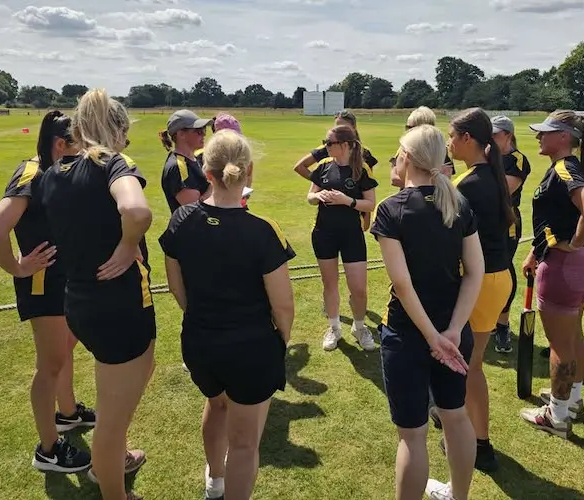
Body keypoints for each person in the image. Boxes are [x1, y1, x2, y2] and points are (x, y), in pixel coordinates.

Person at [159, 129, 295, 500]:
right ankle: (219, 482)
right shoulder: (263, 231)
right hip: (250, 348)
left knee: (216, 405)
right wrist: (280, 341)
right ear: (248, 172)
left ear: (207, 172)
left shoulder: (181, 221)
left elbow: (176, 287)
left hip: (200, 341)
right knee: (245, 444)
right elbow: (283, 306)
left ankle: (215, 481)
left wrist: (203, 316)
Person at [40, 89, 153, 500]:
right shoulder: (113, 165)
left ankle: (114, 459)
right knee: (112, 418)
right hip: (116, 303)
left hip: (80, 300)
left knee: (121, 389)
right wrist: (127, 247)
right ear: (116, 128)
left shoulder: (54, 172)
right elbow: (137, 211)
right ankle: (112, 489)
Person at [371, 124, 484, 500]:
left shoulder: (391, 210)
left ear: (406, 158)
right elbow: (475, 273)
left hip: (407, 334)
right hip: (451, 332)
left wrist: (436, 336)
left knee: (413, 434)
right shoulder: (457, 203)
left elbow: (403, 287)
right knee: (455, 415)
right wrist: (452, 331)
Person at [0, 111, 94, 474]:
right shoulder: (33, 174)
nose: (86, 153)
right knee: (50, 365)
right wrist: (17, 266)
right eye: (81, 144)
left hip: (62, 279)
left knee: (64, 351)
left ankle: (68, 413)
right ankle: (48, 450)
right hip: (43, 282)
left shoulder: (56, 170)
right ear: (60, 145)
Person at [518, 110, 584, 439]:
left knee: (559, 343)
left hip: (566, 265)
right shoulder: (569, 166)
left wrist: (575, 244)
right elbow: (556, 221)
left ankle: (556, 415)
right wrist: (534, 252)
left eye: (545, 132)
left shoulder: (564, 168)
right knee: (572, 336)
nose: (539, 137)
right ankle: (572, 400)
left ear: (564, 137)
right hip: (577, 263)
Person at [439, 108, 515, 471]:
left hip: (483, 282)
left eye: (452, 137)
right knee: (471, 365)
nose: (449, 143)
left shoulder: (470, 183)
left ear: (467, 139)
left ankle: (478, 443)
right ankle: (470, 433)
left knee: (468, 367)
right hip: (496, 278)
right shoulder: (488, 174)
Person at [307, 125, 378, 351]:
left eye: (329, 142)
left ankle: (359, 327)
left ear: (345, 145)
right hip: (324, 233)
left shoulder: (361, 169)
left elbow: (370, 204)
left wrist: (346, 200)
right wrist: (317, 195)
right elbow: (309, 196)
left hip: (351, 235)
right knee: (330, 283)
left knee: (358, 288)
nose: (325, 146)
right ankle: (334, 327)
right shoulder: (324, 167)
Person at [293, 109, 378, 230]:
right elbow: (299, 167)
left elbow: (366, 190)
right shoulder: (327, 147)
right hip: (328, 218)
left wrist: (366, 220)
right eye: (337, 126)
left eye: (343, 126)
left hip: (353, 217)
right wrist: (321, 183)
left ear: (354, 128)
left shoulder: (364, 153)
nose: (339, 129)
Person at [490, 115, 531, 354]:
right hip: (485, 219)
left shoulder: (517, 160)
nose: (490, 139)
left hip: (506, 222)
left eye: (495, 134)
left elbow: (502, 190)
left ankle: (502, 323)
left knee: (504, 269)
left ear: (507, 135)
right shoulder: (489, 155)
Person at [160, 109, 212, 213]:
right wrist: (217, 184)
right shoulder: (178, 167)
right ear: (181, 134)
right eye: (198, 131)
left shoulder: (195, 158)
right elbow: (195, 210)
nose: (203, 134)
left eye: (204, 130)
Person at [390, 106, 454, 189]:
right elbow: (394, 179)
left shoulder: (440, 149)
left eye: (411, 128)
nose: (407, 131)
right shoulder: (404, 148)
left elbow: (446, 178)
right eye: (407, 127)